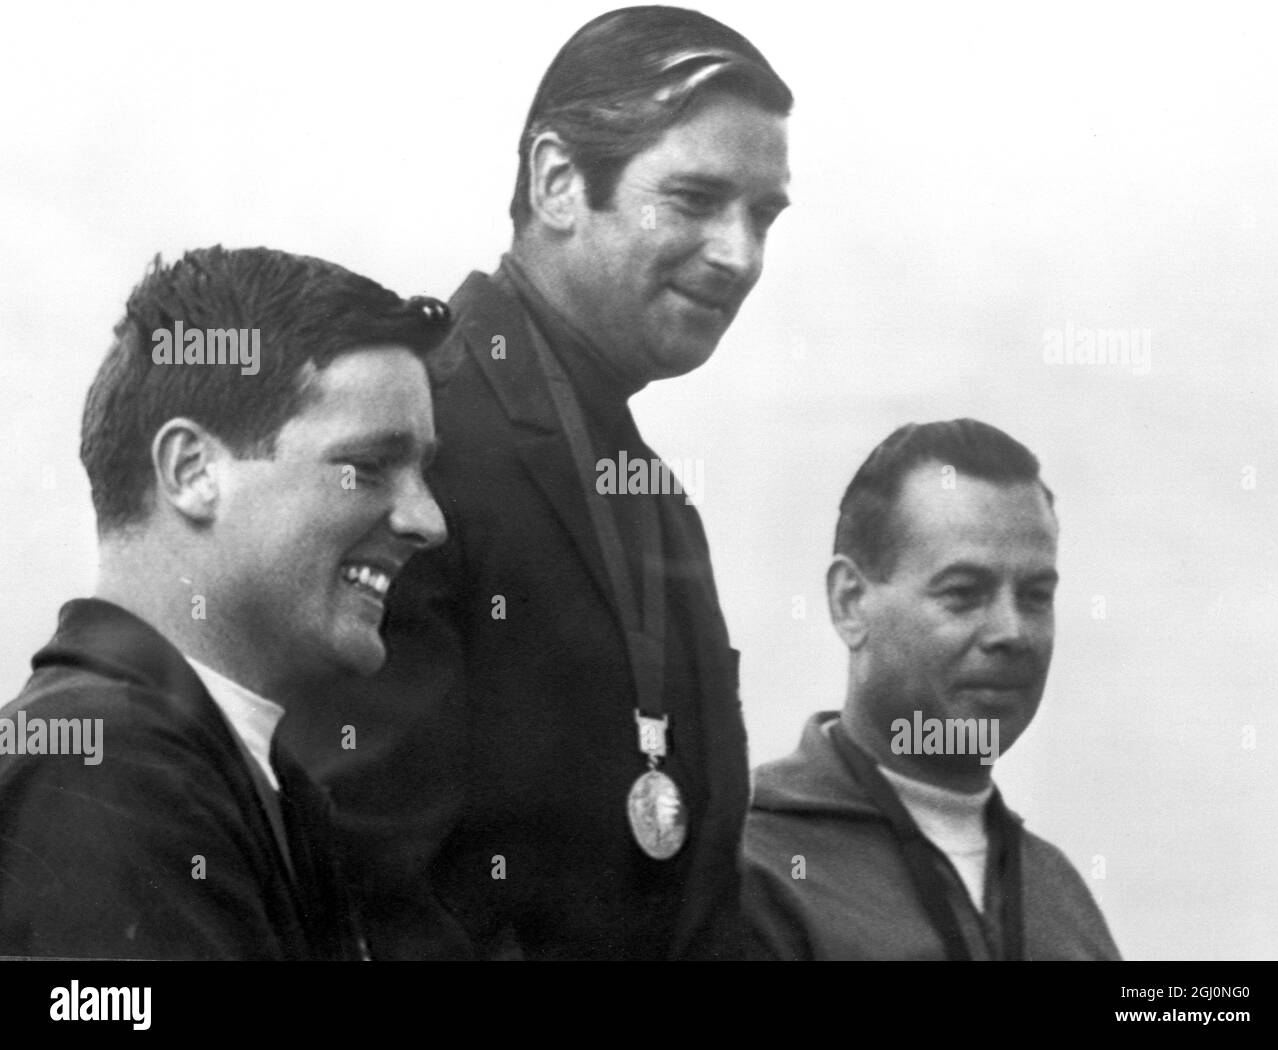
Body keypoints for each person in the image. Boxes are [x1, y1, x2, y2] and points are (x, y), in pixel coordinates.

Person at [278, 6, 793, 959]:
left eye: (762, 215)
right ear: (557, 182)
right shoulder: (415, 440)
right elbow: (366, 881)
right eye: (694, 200)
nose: (741, 253)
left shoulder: (653, 496)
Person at [0, 246, 449, 959]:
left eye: (423, 472)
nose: (427, 521)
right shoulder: (105, 764)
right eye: (367, 469)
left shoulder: (232, 771)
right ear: (192, 472)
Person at [743, 419, 1122, 960]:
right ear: (851, 603)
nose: (1011, 632)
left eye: (1036, 596)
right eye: (964, 593)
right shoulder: (752, 866)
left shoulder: (1056, 891)